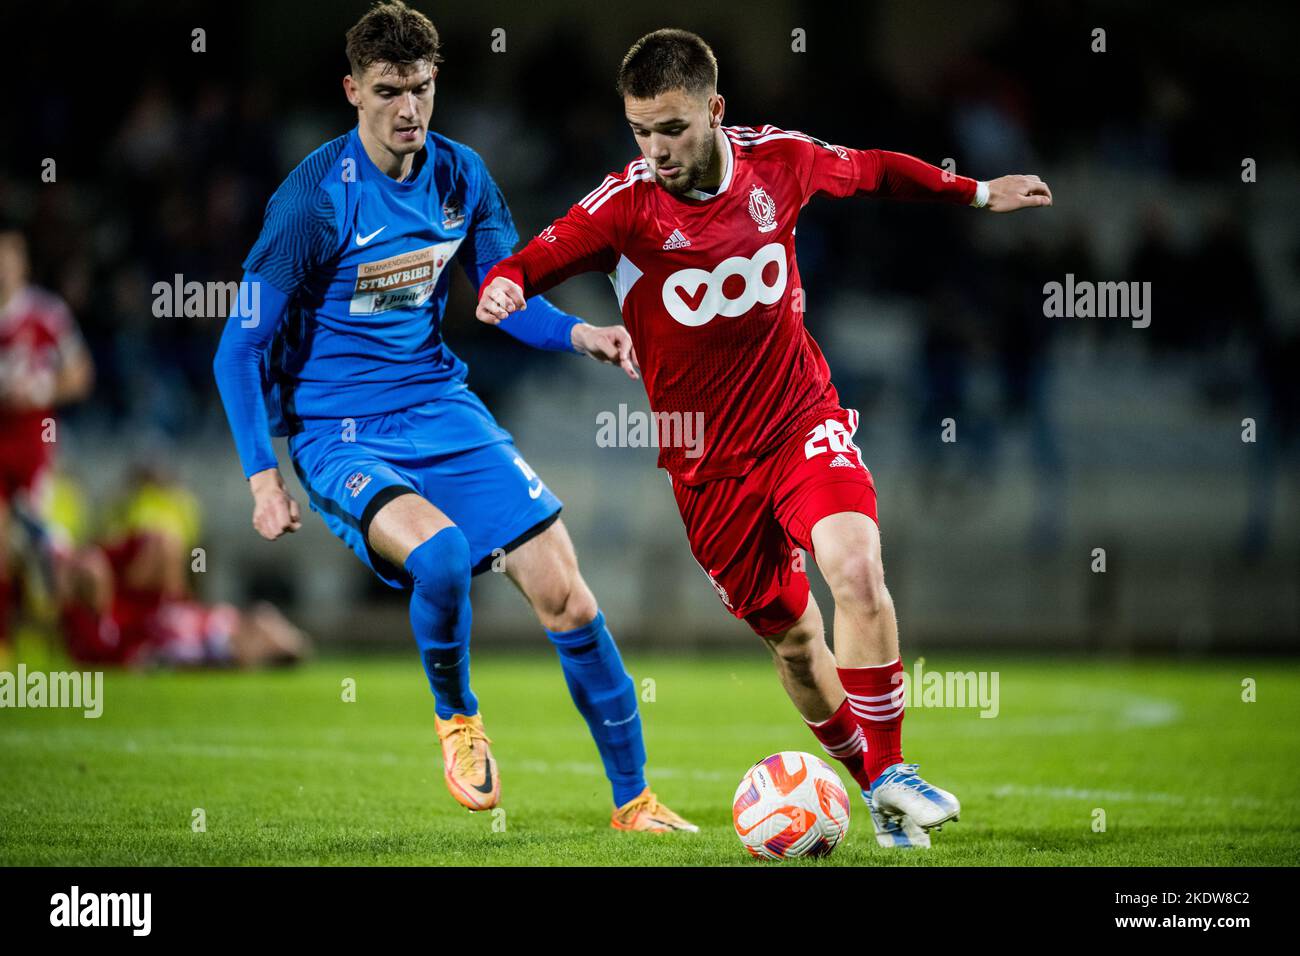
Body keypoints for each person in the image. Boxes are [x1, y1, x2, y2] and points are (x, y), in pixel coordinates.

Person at [477, 28, 1052, 848]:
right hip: (705, 466)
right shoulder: (624, 205)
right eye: (641, 131)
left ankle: (892, 769)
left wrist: (979, 195)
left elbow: (874, 169)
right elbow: (535, 258)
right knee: (793, 639)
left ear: (715, 110)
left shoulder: (779, 159)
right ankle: (875, 792)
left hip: (799, 419)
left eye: (673, 128)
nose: (657, 149)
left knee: (854, 567)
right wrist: (501, 286)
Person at [213, 2, 694, 831]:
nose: (410, 109)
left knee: (568, 596)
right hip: (339, 431)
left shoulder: (462, 175)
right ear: (352, 91)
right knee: (438, 557)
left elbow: (503, 299)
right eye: (390, 90)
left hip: (442, 406)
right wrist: (263, 477)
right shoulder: (313, 202)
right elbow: (237, 348)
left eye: (423, 89)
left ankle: (636, 801)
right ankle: (458, 717)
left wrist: (580, 331)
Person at [0, 226, 94, 669]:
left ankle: (61, 638)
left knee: (37, 548)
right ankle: (5, 647)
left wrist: (41, 388)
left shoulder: (45, 312)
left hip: (33, 442)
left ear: (22, 263)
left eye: (9, 257)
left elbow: (80, 373)